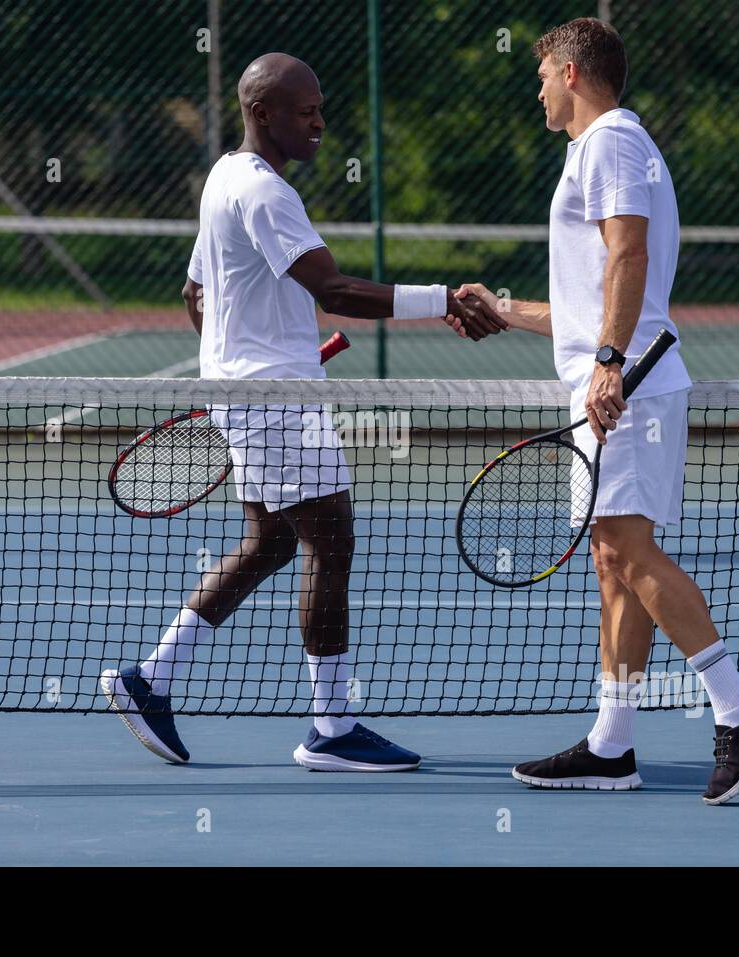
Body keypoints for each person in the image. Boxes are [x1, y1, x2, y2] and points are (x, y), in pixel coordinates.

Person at [101, 52, 508, 772]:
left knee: (273, 544)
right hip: (276, 405)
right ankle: (330, 727)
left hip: (252, 396)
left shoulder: (224, 178)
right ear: (261, 113)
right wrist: (443, 299)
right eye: (303, 110)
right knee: (330, 540)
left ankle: (151, 678)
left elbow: (196, 293)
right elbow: (336, 291)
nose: (319, 121)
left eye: (320, 107)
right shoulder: (262, 193)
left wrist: (242, 360)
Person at [457, 18, 739, 804]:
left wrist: (608, 363)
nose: (536, 90)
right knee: (611, 560)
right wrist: (505, 309)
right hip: (612, 378)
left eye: (541, 76)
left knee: (631, 554)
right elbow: (588, 294)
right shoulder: (596, 148)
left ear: (571, 73)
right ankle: (613, 742)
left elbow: (628, 253)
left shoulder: (609, 141)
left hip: (628, 384)